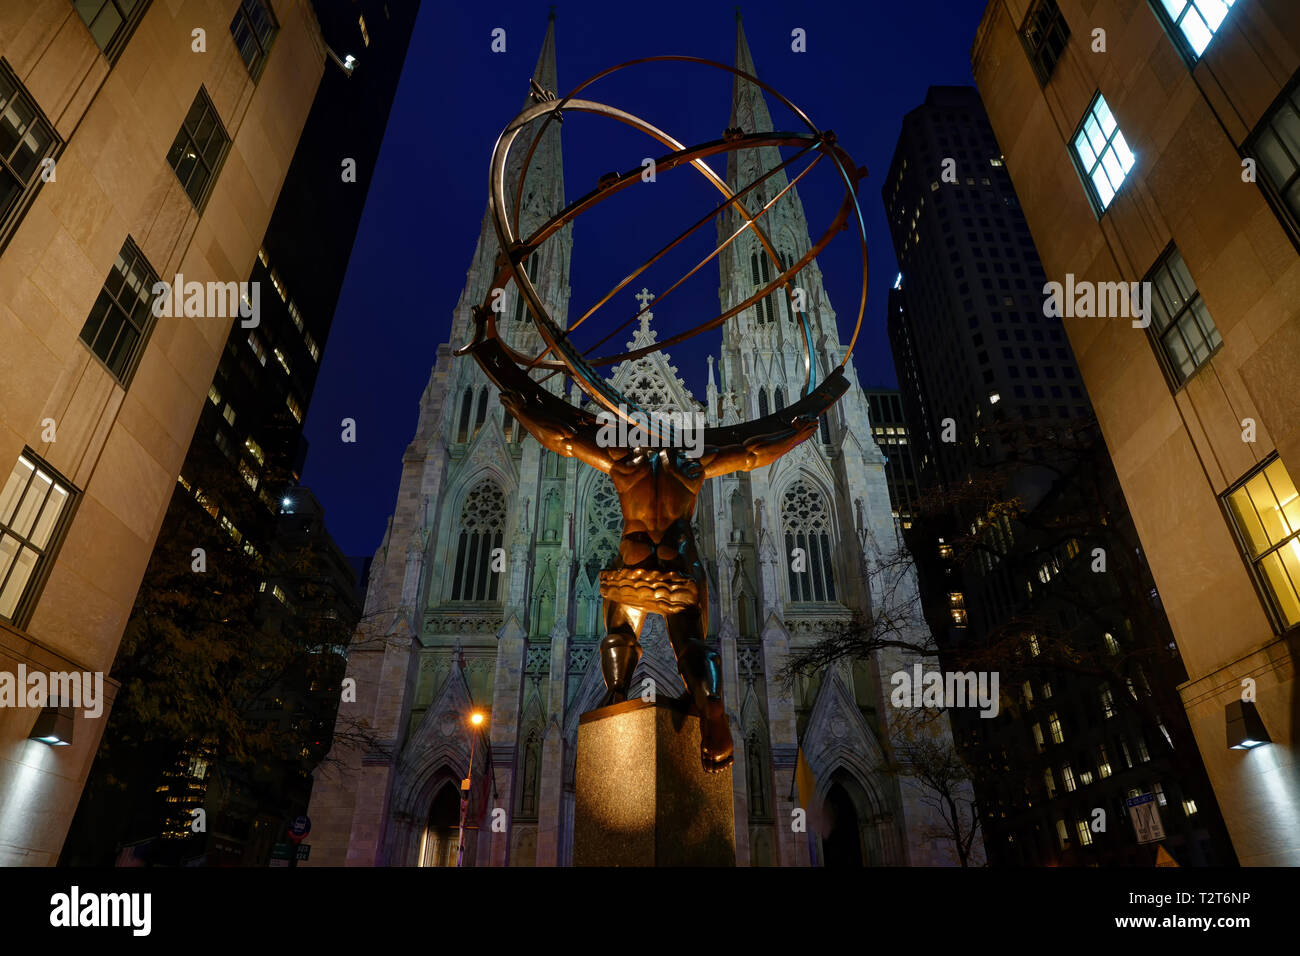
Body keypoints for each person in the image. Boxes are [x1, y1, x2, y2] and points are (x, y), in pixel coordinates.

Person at [500, 387, 817, 773]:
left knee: (619, 635)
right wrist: (792, 435)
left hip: (632, 567)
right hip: (677, 567)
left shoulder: (624, 458)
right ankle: (709, 703)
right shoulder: (691, 459)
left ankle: (616, 691)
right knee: (690, 645)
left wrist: (524, 410)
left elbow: (564, 438)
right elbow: (750, 453)